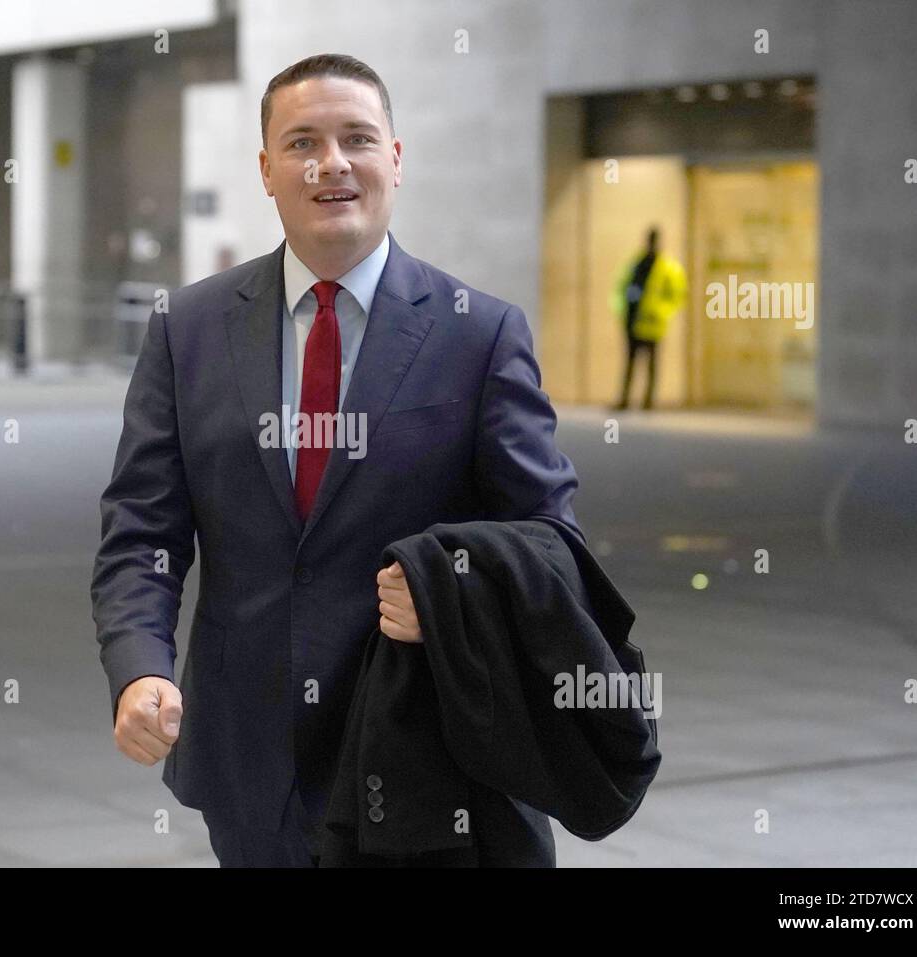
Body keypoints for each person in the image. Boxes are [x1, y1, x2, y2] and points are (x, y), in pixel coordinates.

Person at [91, 53, 583, 867]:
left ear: (395, 157)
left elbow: (552, 542)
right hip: (252, 771)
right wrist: (139, 668)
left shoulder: (479, 333)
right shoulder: (189, 329)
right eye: (302, 142)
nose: (332, 163)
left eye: (357, 138)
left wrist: (450, 592)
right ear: (266, 170)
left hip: (432, 764)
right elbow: (142, 529)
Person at [611, 227, 686, 410]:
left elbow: (677, 295)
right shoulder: (636, 263)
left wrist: (660, 312)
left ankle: (648, 401)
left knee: (651, 364)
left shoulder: (667, 267)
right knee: (630, 363)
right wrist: (622, 310)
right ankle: (625, 399)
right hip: (633, 319)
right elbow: (621, 287)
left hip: (652, 322)